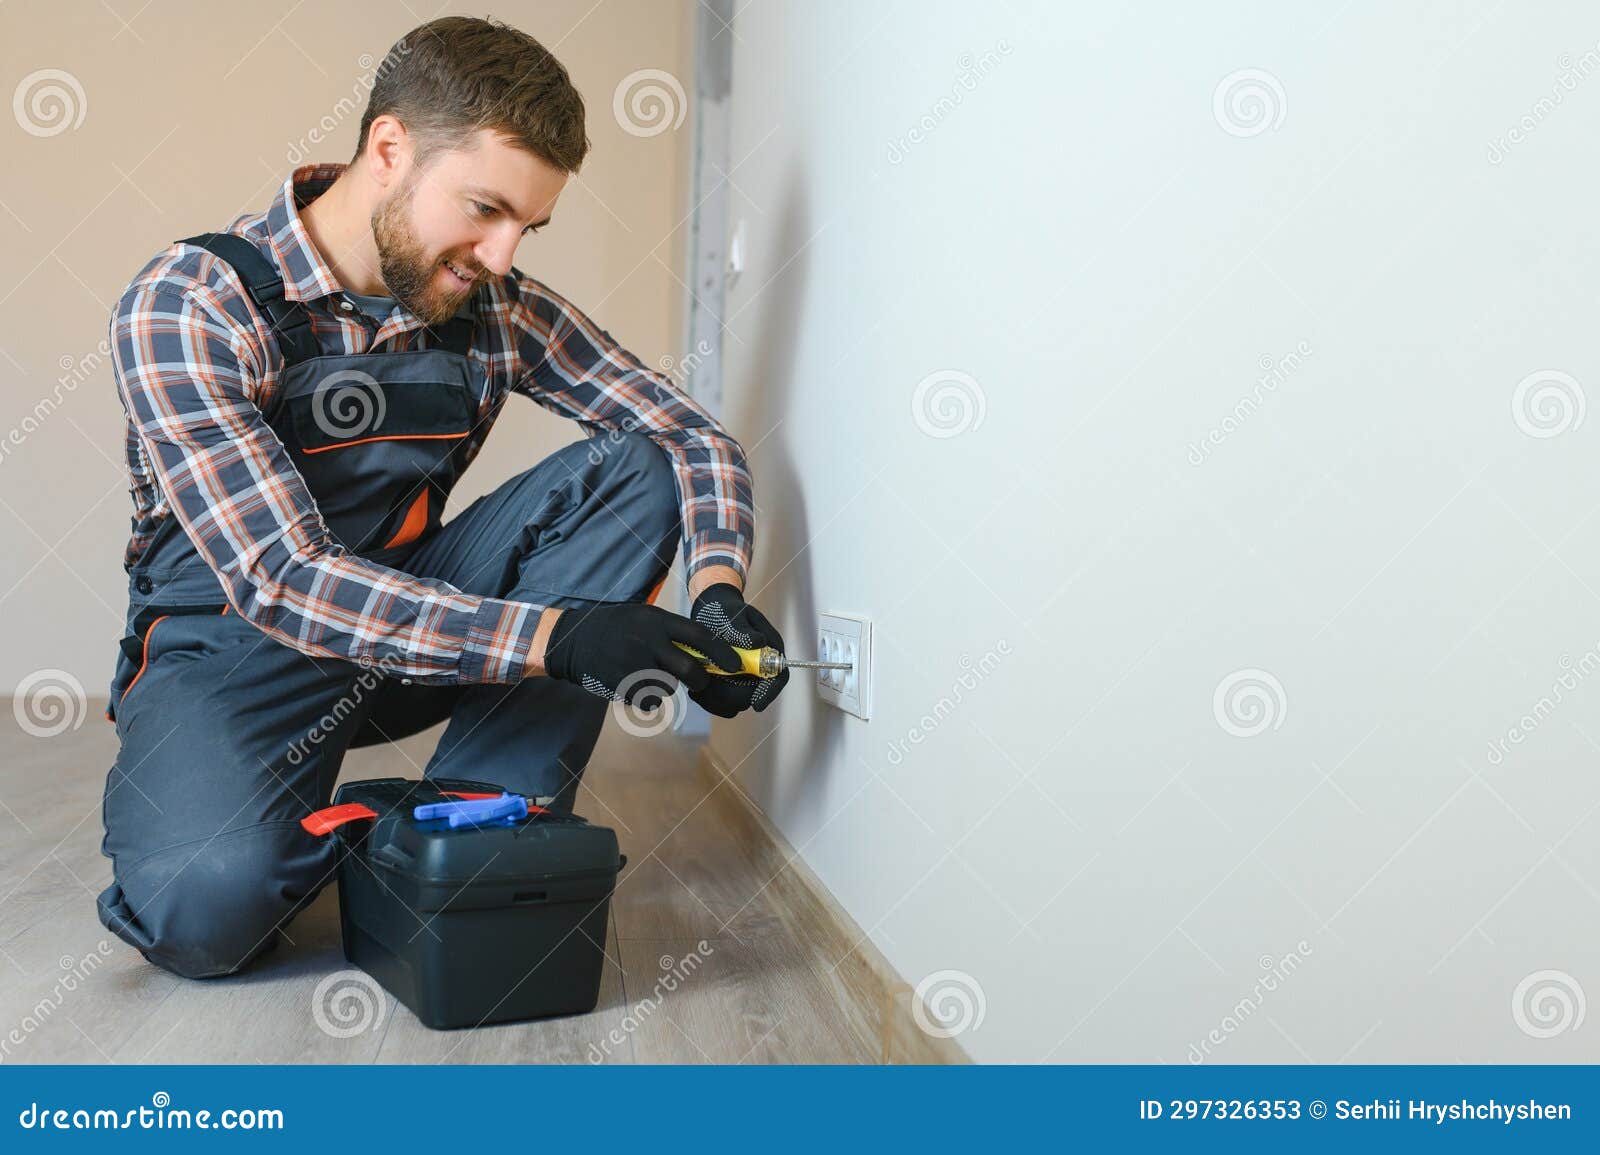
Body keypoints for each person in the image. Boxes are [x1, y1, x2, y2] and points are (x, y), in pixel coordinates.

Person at [96, 15, 788, 980]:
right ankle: (331, 825)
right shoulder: (194, 302)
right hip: (233, 646)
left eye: (527, 228)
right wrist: (562, 638)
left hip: (414, 630)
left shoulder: (490, 306)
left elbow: (688, 437)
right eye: (484, 209)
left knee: (639, 465)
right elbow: (280, 576)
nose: (501, 257)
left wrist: (716, 588)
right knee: (206, 912)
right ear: (388, 148)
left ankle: (483, 839)